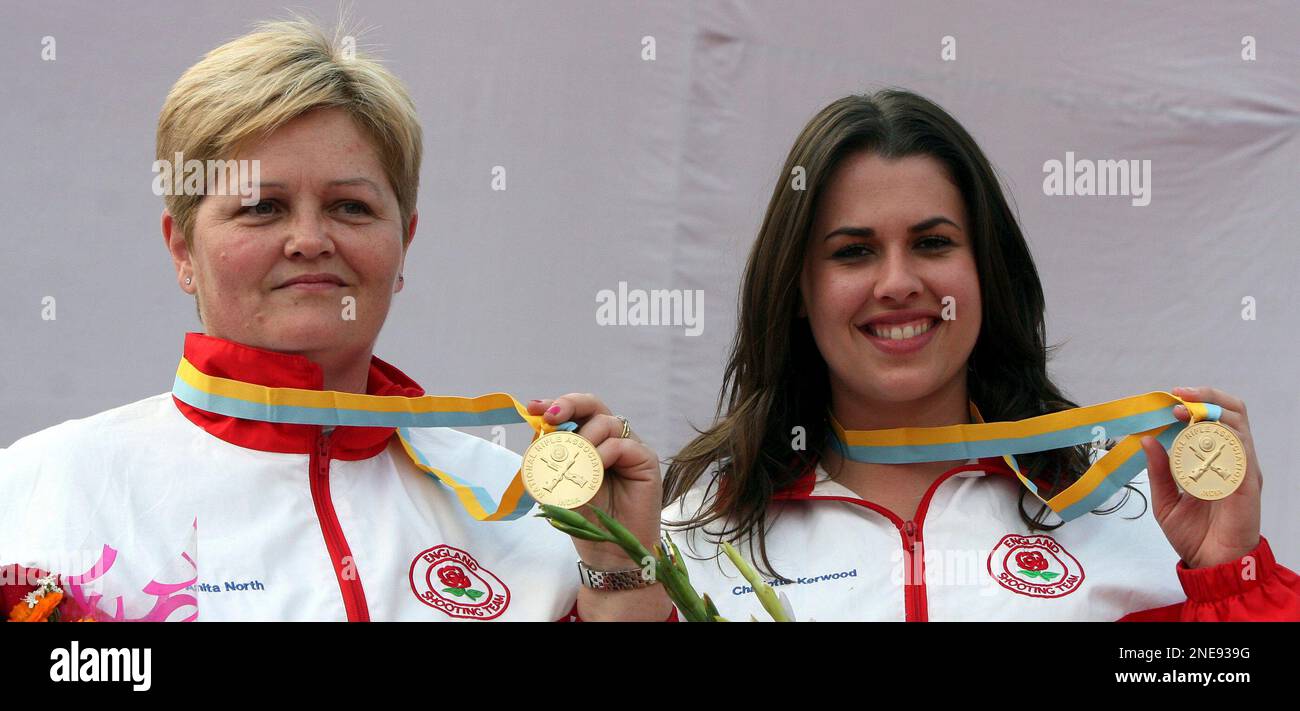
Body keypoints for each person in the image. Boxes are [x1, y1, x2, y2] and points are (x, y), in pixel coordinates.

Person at [0, 17, 671, 622]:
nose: (310, 239)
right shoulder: (41, 492)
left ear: (403, 242)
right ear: (183, 250)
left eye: (350, 207)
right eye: (262, 206)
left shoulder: (525, 508)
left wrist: (621, 576)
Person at [662, 89, 1299, 621]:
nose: (897, 283)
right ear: (799, 289)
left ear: (986, 271)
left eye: (933, 243)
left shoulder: (1127, 512)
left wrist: (1229, 580)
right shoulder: (693, 535)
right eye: (853, 251)